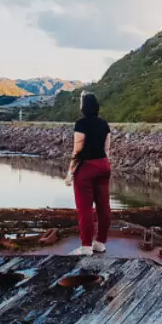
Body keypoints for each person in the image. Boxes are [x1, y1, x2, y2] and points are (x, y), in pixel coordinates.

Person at [65, 92, 111, 255]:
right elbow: (107, 149)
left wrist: (70, 172)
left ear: (84, 106)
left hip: (86, 168)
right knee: (104, 206)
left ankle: (85, 246)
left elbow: (77, 150)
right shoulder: (104, 124)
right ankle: (100, 243)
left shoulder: (81, 124)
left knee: (85, 208)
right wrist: (105, 166)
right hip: (103, 165)